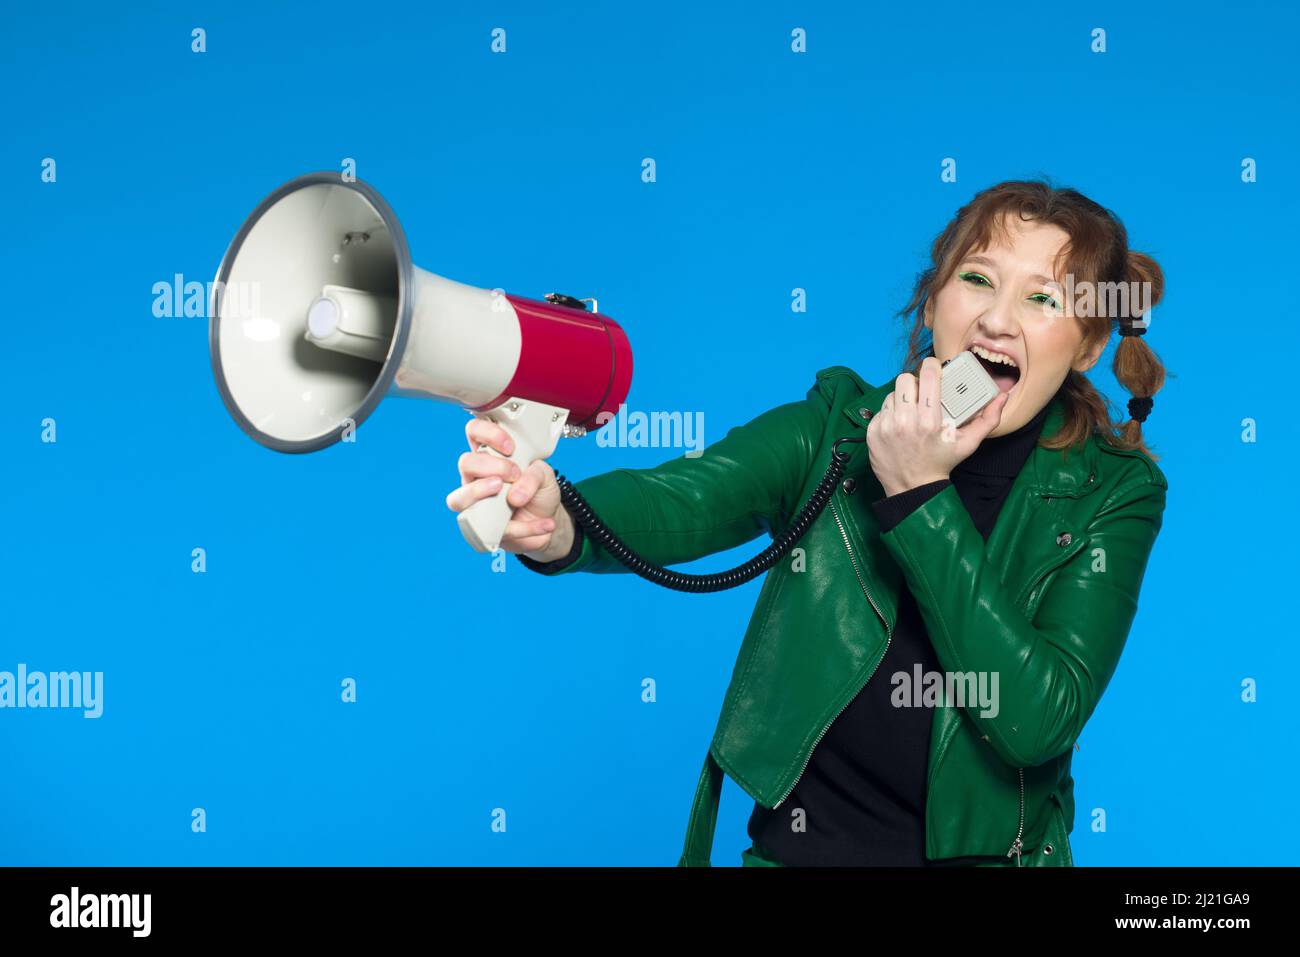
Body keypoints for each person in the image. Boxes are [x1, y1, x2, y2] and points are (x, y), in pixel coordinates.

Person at [445, 179, 1169, 867]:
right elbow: (689, 494)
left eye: (1042, 297)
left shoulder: (1113, 492)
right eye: (976, 279)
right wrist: (564, 520)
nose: (997, 318)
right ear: (930, 304)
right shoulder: (837, 426)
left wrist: (918, 493)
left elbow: (1038, 719)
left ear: (1088, 345)